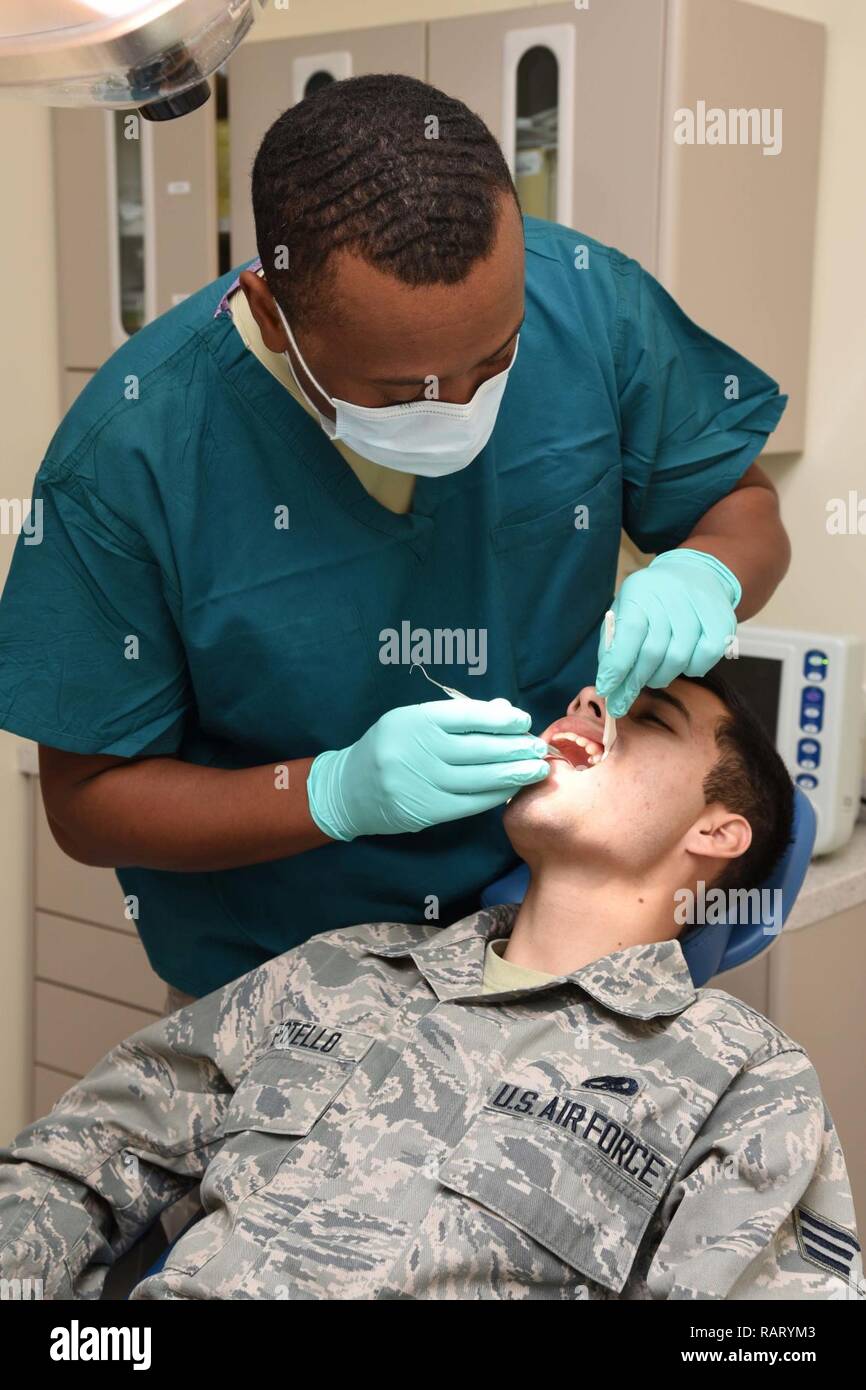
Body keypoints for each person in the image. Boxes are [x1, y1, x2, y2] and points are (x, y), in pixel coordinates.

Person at [0, 75, 791, 1006]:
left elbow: (742, 506)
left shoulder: (590, 307)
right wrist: (333, 793)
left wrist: (708, 570)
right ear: (270, 307)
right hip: (278, 985)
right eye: (402, 390)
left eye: (496, 361)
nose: (460, 408)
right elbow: (88, 805)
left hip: (524, 937)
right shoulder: (130, 452)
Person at [1, 672, 859, 1301]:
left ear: (719, 830)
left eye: (650, 717)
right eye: (594, 696)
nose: (593, 706)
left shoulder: (740, 1077)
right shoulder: (338, 969)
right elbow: (71, 1163)